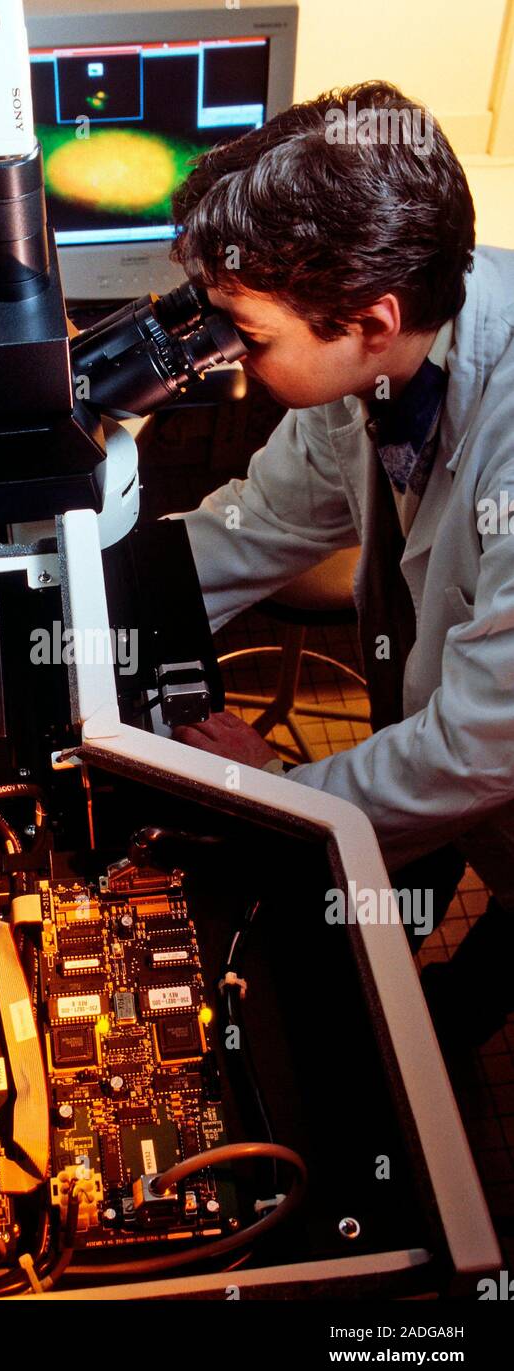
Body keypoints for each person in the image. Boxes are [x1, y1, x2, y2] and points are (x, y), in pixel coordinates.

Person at [168, 81, 514, 1049]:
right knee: (405, 873)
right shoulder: (397, 339)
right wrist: (78, 604)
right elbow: (253, 526)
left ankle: (447, 1026)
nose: (230, 359)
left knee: (482, 974)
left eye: (252, 336)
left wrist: (275, 795)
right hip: (446, 748)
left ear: (368, 322)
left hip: (492, 765)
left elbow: (472, 752)